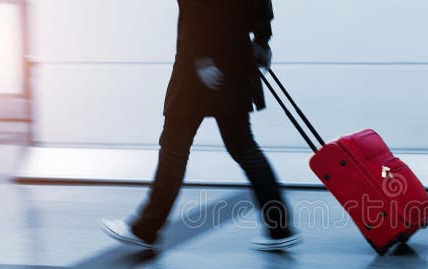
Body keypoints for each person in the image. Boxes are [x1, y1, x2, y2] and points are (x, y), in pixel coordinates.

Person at [102, 0, 300, 251]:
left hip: (200, 69)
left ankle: (145, 229)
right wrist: (262, 42)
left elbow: (194, 9)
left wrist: (202, 59)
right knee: (242, 146)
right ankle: (279, 227)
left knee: (175, 147)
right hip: (236, 57)